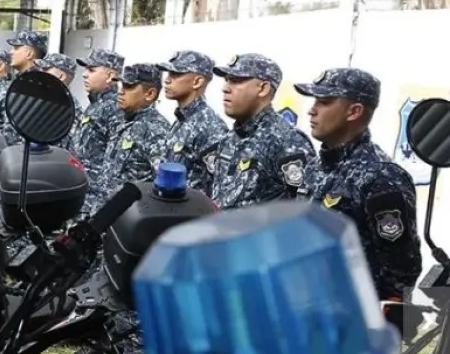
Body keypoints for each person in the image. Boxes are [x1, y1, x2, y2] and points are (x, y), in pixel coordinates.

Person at [70, 65, 170, 354]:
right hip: (110, 218)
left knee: (126, 295)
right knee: (104, 287)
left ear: (150, 93)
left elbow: (160, 188)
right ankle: (103, 351)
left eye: (130, 86)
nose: (121, 91)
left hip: (133, 227)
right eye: (121, 85)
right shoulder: (125, 122)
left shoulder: (155, 130)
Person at [295, 67, 422, 301]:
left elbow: (401, 270)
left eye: (323, 102)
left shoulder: (381, 176)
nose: (312, 110)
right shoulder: (315, 166)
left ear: (354, 111)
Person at [209, 53, 315, 209]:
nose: (225, 88)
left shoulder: (287, 141)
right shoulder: (230, 138)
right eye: (227, 80)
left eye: (236, 81)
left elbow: (307, 211)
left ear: (263, 88)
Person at [157, 50, 228, 194]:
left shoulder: (210, 126)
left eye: (175, 74)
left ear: (197, 81)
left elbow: (216, 188)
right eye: (168, 73)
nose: (167, 80)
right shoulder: (181, 121)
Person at [71, 48, 125, 212]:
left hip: (95, 199)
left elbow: (115, 163)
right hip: (82, 192)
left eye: (91, 70)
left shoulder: (116, 108)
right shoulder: (96, 105)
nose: (84, 74)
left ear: (110, 76)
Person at [34, 52, 78, 148]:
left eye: (46, 69)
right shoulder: (41, 100)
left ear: (61, 76)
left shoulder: (70, 108)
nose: (40, 72)